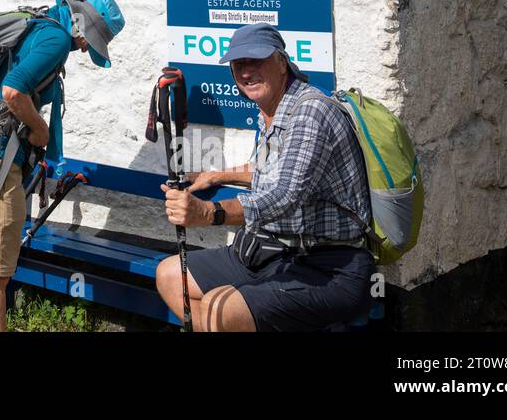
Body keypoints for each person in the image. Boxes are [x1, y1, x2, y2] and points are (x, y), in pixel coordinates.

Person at [155, 22, 374, 331]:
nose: (246, 72)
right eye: (239, 64)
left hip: (327, 265)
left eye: (256, 61)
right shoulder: (270, 110)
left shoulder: (310, 113)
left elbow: (284, 195)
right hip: (270, 252)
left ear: (282, 63)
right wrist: (215, 176)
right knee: (169, 275)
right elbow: (267, 169)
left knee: (221, 307)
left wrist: (208, 212)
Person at [0, 0, 124, 332]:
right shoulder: (56, 38)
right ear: (82, 25)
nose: (84, 47)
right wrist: (40, 130)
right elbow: (13, 90)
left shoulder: (36, 25)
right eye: (92, 38)